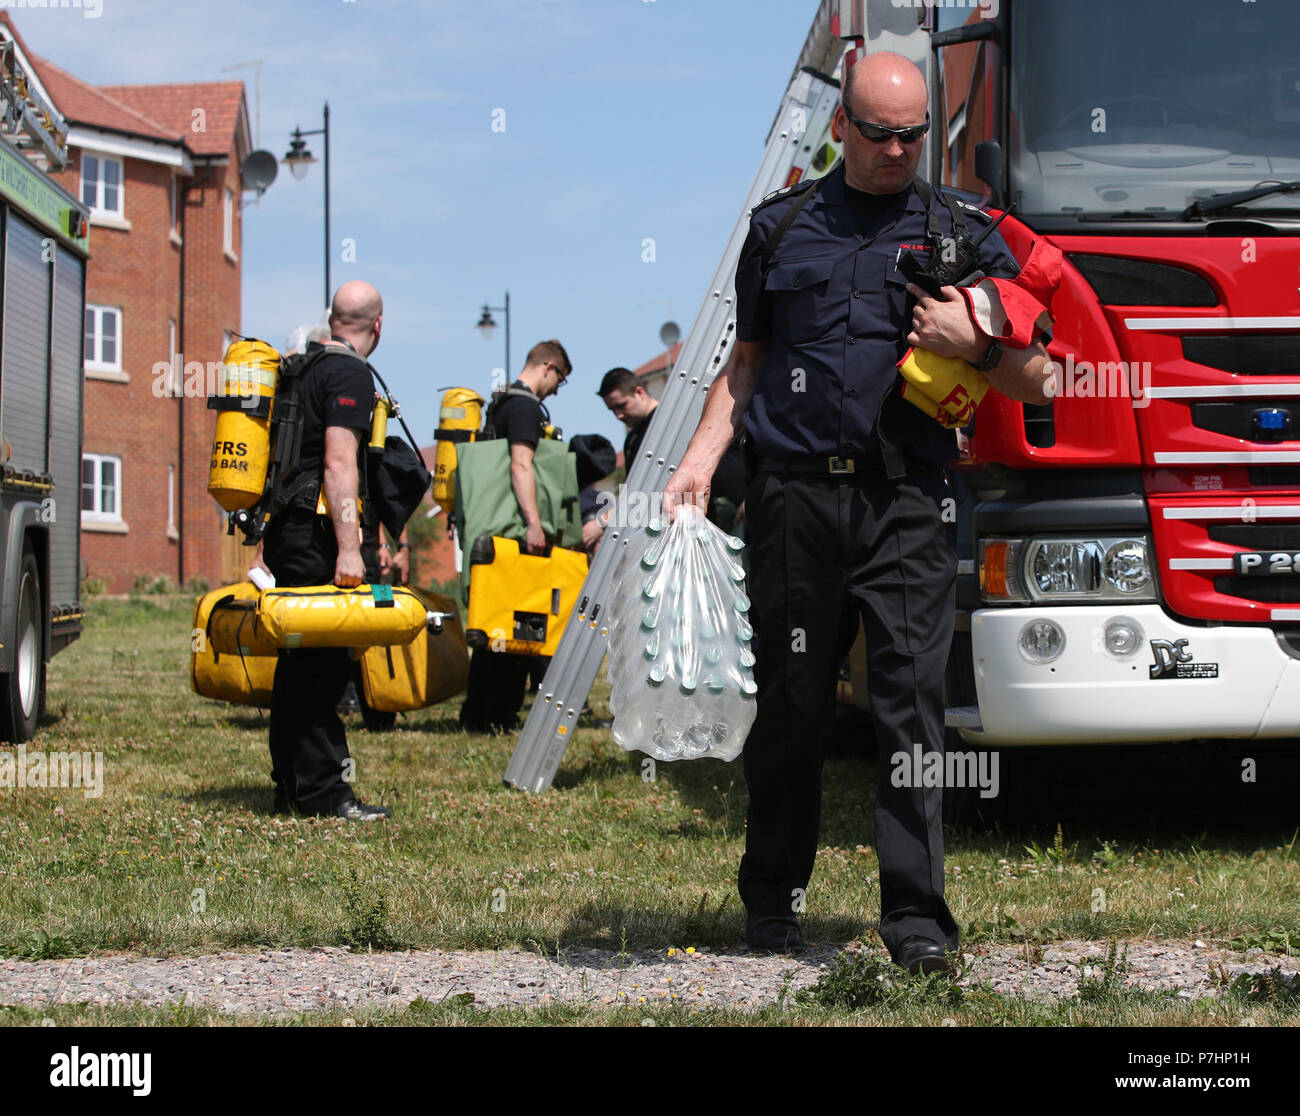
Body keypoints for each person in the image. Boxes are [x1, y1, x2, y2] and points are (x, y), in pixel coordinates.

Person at [663, 52, 1052, 972]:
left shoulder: (961, 229)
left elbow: (1041, 371)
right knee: (793, 710)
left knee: (912, 710)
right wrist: (699, 456)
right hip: (793, 500)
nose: (895, 150)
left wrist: (975, 337)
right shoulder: (782, 227)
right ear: (841, 125)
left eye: (913, 134)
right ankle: (773, 905)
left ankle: (916, 921)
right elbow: (748, 363)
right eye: (877, 132)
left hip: (907, 502)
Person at [255, 280, 393, 821]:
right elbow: (339, 464)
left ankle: (290, 783)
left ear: (333, 318)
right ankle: (326, 794)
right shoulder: (349, 373)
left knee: (295, 663)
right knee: (321, 669)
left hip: (286, 530)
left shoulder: (300, 367)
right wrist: (350, 549)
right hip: (317, 536)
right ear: (377, 326)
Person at [459, 339, 572, 733]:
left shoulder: (500, 403)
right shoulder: (524, 407)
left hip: (490, 527)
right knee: (518, 623)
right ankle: (498, 716)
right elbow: (521, 465)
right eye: (560, 378)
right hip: (515, 529)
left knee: (493, 622)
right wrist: (534, 523)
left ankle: (478, 713)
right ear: (547, 366)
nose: (557, 388)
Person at [597, 367, 747, 541]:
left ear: (640, 392)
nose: (618, 415)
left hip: (723, 519)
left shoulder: (677, 423)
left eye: (622, 405)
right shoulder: (632, 440)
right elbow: (643, 493)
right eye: (612, 410)